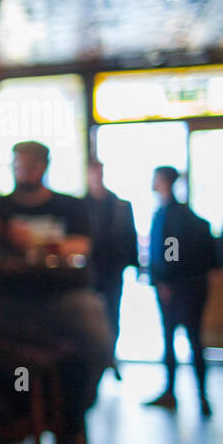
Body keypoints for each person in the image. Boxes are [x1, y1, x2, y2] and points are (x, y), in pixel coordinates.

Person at [0, 141, 115, 444]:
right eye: (18, 165)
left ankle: (71, 420)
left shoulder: (69, 206)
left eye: (29, 165)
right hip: (9, 303)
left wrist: (35, 241)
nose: (23, 171)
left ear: (43, 167)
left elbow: (81, 247)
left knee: (99, 344)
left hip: (61, 299)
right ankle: (16, 427)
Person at [145, 165, 216, 417]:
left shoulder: (172, 215)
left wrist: (167, 280)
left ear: (164, 181)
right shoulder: (180, 214)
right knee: (192, 340)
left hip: (178, 288)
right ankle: (198, 395)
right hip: (188, 285)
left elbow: (170, 249)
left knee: (181, 340)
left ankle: (180, 393)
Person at [84, 159, 138, 378]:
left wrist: (132, 263)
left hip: (113, 270)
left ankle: (109, 356)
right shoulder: (82, 205)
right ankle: (95, 358)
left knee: (113, 313)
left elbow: (129, 236)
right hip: (89, 271)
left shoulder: (119, 205)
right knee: (90, 314)